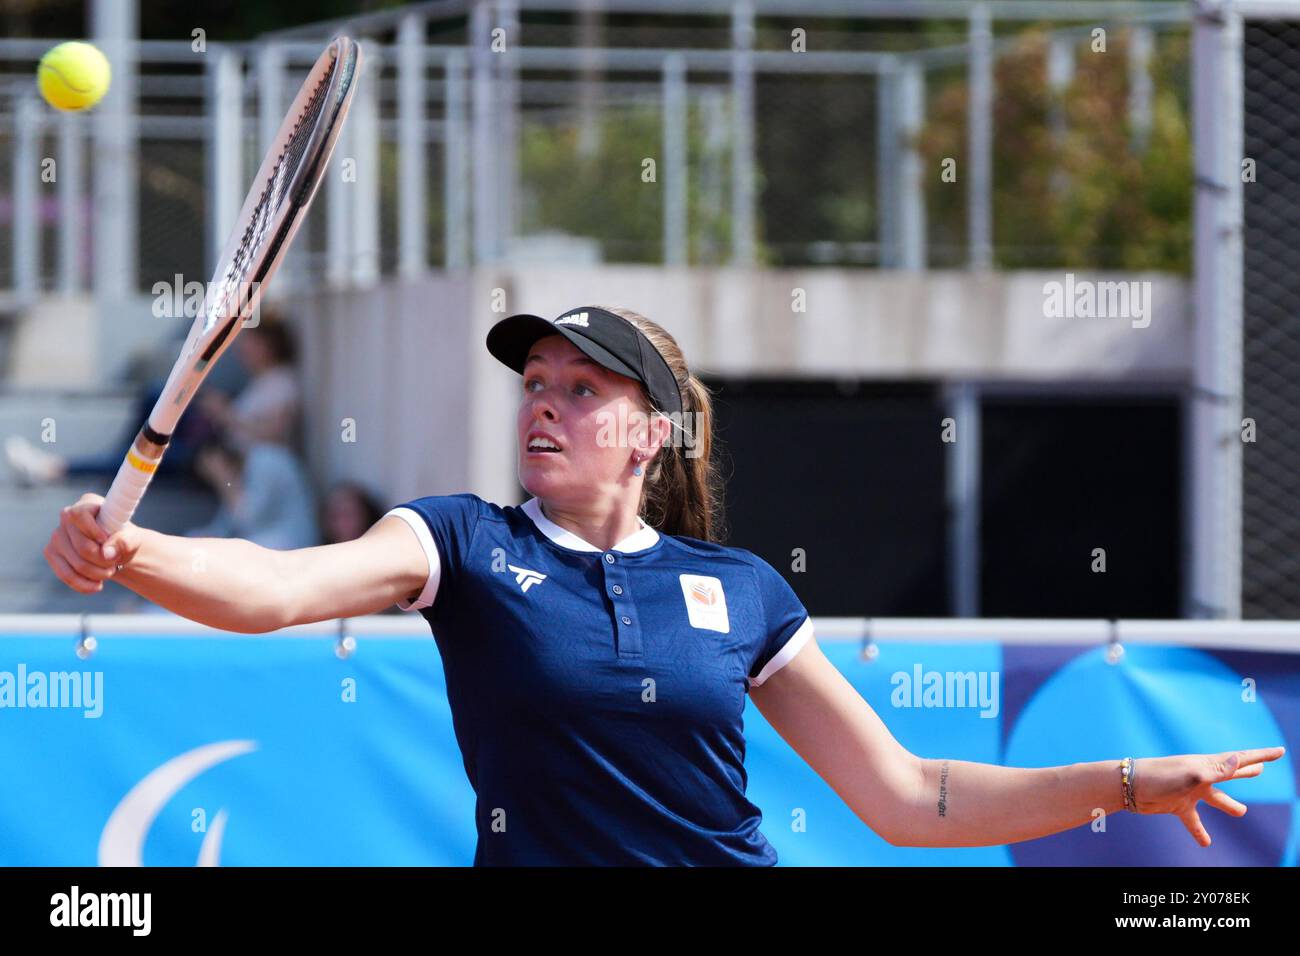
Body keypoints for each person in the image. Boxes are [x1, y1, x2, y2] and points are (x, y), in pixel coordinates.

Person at [43, 304, 1285, 865]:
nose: (545, 400)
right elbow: (271, 588)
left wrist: (1123, 781)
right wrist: (135, 551)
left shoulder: (739, 589)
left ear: (652, 434)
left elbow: (913, 795)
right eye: (535, 379)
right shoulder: (462, 541)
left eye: (584, 387)